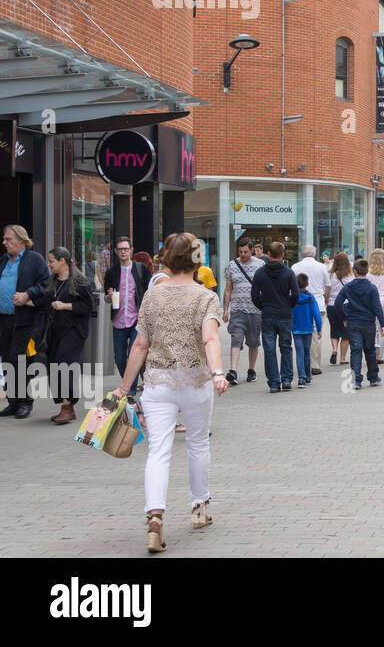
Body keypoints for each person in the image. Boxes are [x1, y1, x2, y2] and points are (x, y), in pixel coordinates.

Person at [113, 232, 228, 553]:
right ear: (196, 259)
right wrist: (218, 373)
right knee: (197, 443)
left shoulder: (153, 296)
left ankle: (155, 516)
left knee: (158, 451)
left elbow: (139, 344)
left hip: (158, 383)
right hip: (195, 381)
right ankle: (200, 507)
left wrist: (125, 388)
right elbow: (210, 340)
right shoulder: (205, 297)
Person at [28, 246, 95, 424]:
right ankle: (67, 406)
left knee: (63, 363)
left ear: (62, 261)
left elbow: (89, 307)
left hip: (74, 331)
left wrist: (65, 306)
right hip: (54, 331)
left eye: (51, 261)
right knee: (53, 366)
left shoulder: (80, 282)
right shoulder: (53, 281)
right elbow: (44, 302)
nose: (48, 265)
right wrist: (26, 300)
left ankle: (66, 407)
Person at [0, 225, 50, 419]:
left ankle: (25, 401)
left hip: (25, 320)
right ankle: (13, 402)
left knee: (18, 360)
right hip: (5, 319)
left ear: (21, 241)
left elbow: (45, 283)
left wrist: (28, 294)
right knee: (6, 360)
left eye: (8, 239)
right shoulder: (4, 260)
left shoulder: (34, 259)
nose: (4, 243)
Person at [104, 236, 150, 398]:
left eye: (126, 249)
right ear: (116, 252)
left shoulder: (142, 269)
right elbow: (106, 297)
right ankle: (129, 383)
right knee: (119, 359)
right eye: (120, 249)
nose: (123, 252)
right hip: (118, 320)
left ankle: (128, 392)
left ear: (131, 250)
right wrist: (109, 297)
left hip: (138, 319)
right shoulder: (111, 272)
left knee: (133, 355)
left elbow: (149, 293)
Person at [250, 241, 299, 392]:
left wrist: (264, 307)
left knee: (269, 349)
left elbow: (254, 296)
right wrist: (288, 305)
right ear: (283, 255)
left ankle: (273, 382)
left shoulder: (260, 273)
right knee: (286, 347)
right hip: (284, 314)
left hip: (268, 315)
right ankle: (286, 379)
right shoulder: (288, 272)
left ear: (268, 254)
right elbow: (296, 295)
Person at [336, 258, 384, 390]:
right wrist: (383, 324)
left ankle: (356, 380)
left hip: (353, 322)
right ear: (367, 271)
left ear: (354, 271)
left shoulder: (348, 287)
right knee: (370, 350)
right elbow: (377, 307)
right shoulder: (372, 288)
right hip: (368, 322)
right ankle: (373, 377)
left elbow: (337, 303)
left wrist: (344, 318)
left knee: (356, 351)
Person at [223, 236, 264, 386]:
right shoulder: (232, 265)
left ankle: (251, 370)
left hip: (255, 310)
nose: (243, 255)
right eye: (240, 252)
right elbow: (228, 290)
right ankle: (233, 371)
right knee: (236, 339)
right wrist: (225, 309)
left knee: (253, 342)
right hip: (237, 309)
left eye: (246, 252)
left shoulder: (260, 265)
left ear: (252, 250)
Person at [291, 245, 328, 376]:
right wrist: (326, 299)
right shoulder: (322, 267)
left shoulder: (295, 267)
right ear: (314, 253)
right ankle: (315, 365)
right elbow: (327, 286)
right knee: (316, 336)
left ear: (302, 254)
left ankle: (303, 364)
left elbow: (290, 287)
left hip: (298, 305)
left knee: (300, 335)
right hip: (317, 302)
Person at [290, 272, 322, 385]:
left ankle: (301, 377)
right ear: (307, 284)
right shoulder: (310, 297)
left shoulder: (292, 298)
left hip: (296, 328)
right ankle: (308, 375)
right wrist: (319, 328)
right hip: (308, 328)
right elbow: (317, 314)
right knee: (307, 352)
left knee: (299, 352)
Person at [325, 251, 353, 366]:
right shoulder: (350, 276)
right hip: (345, 305)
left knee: (334, 330)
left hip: (331, 305)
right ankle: (342, 358)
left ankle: (334, 350)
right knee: (346, 334)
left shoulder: (330, 274)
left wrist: (326, 299)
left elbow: (327, 289)